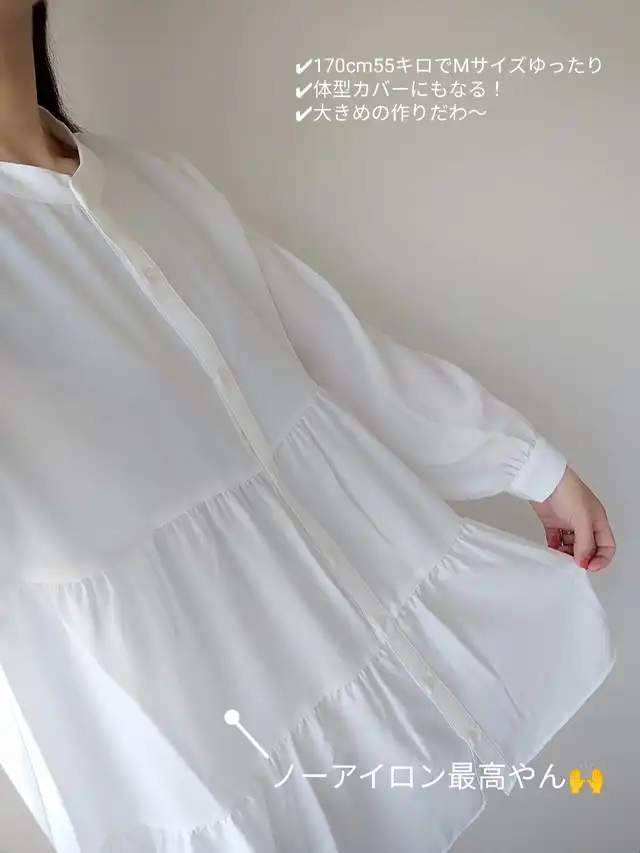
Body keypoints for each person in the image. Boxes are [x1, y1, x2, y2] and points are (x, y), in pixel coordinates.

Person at [0, 2, 616, 852]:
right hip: (194, 727)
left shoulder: (153, 183)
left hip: (354, 647)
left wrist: (527, 463)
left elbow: (334, 347)